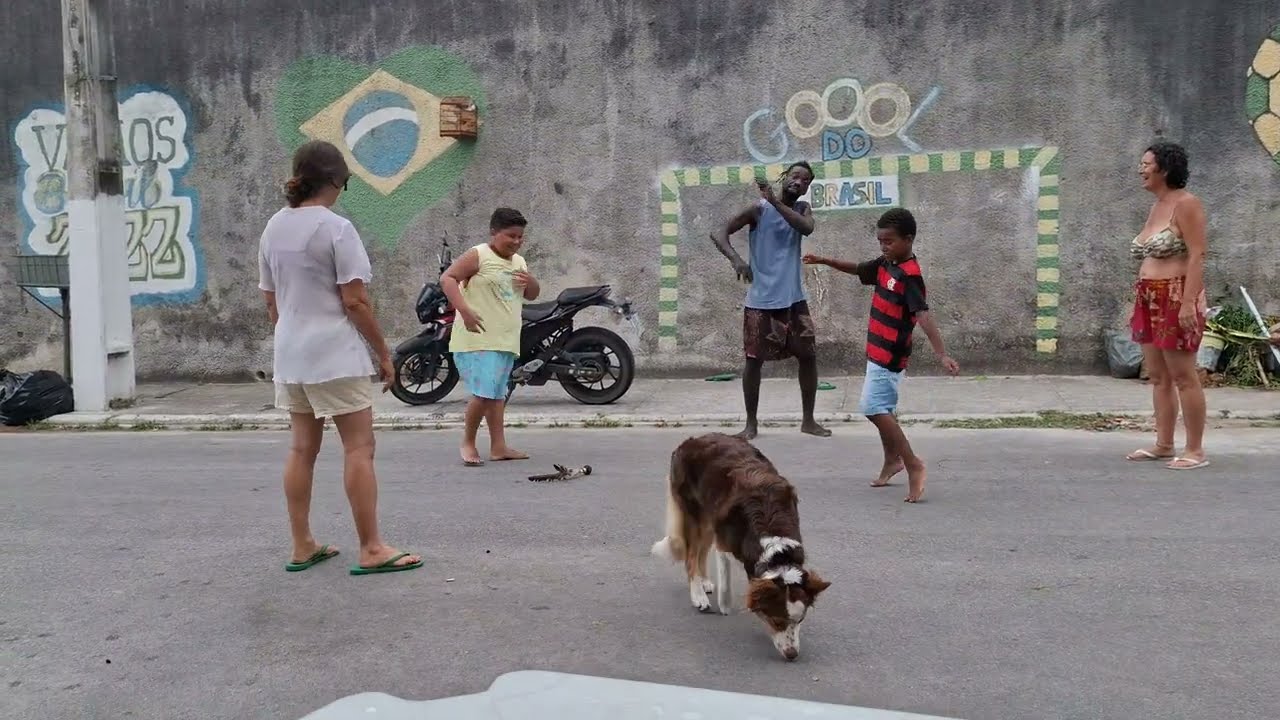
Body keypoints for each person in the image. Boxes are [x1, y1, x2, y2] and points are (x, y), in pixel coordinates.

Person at [258, 140, 422, 575]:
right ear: (334, 180)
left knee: (301, 449)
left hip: (290, 356)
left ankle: (301, 545)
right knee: (359, 448)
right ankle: (371, 548)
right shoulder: (336, 229)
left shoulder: (274, 226)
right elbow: (355, 302)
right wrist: (384, 353)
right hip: (333, 354)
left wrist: (292, 333)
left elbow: (271, 302)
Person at [802, 208, 958, 503]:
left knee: (873, 408)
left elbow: (923, 315)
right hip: (877, 351)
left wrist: (942, 354)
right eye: (881, 241)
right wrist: (824, 260)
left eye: (889, 242)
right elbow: (859, 268)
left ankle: (912, 462)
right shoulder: (886, 263)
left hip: (890, 355)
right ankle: (892, 461)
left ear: (908, 240)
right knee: (882, 406)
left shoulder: (910, 275)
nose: (884, 247)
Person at [711, 160, 829, 440]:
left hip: (793, 299)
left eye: (805, 181)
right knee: (754, 361)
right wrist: (736, 260)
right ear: (784, 177)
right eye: (795, 176)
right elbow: (719, 233)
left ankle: (808, 420)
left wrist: (775, 200)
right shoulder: (758, 210)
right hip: (761, 300)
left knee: (808, 357)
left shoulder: (801, 209)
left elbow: (806, 228)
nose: (799, 182)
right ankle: (750, 424)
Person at [1124, 142, 1210, 470]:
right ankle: (1163, 443)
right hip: (1148, 295)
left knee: (1183, 375)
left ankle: (1195, 450)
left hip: (1176, 296)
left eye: (1146, 163)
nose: (1140, 169)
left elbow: (1197, 254)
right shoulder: (1157, 206)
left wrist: (1189, 302)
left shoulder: (1187, 204)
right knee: (1158, 376)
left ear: (1165, 168)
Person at [440, 207, 540, 466]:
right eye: (511, 236)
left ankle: (498, 446)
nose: (516, 242)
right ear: (494, 233)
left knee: (497, 394)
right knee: (483, 393)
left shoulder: (518, 262)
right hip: (477, 338)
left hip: (505, 339)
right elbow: (448, 278)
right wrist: (465, 311)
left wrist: (530, 280)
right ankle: (468, 442)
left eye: (520, 237)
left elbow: (531, 295)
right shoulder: (479, 255)